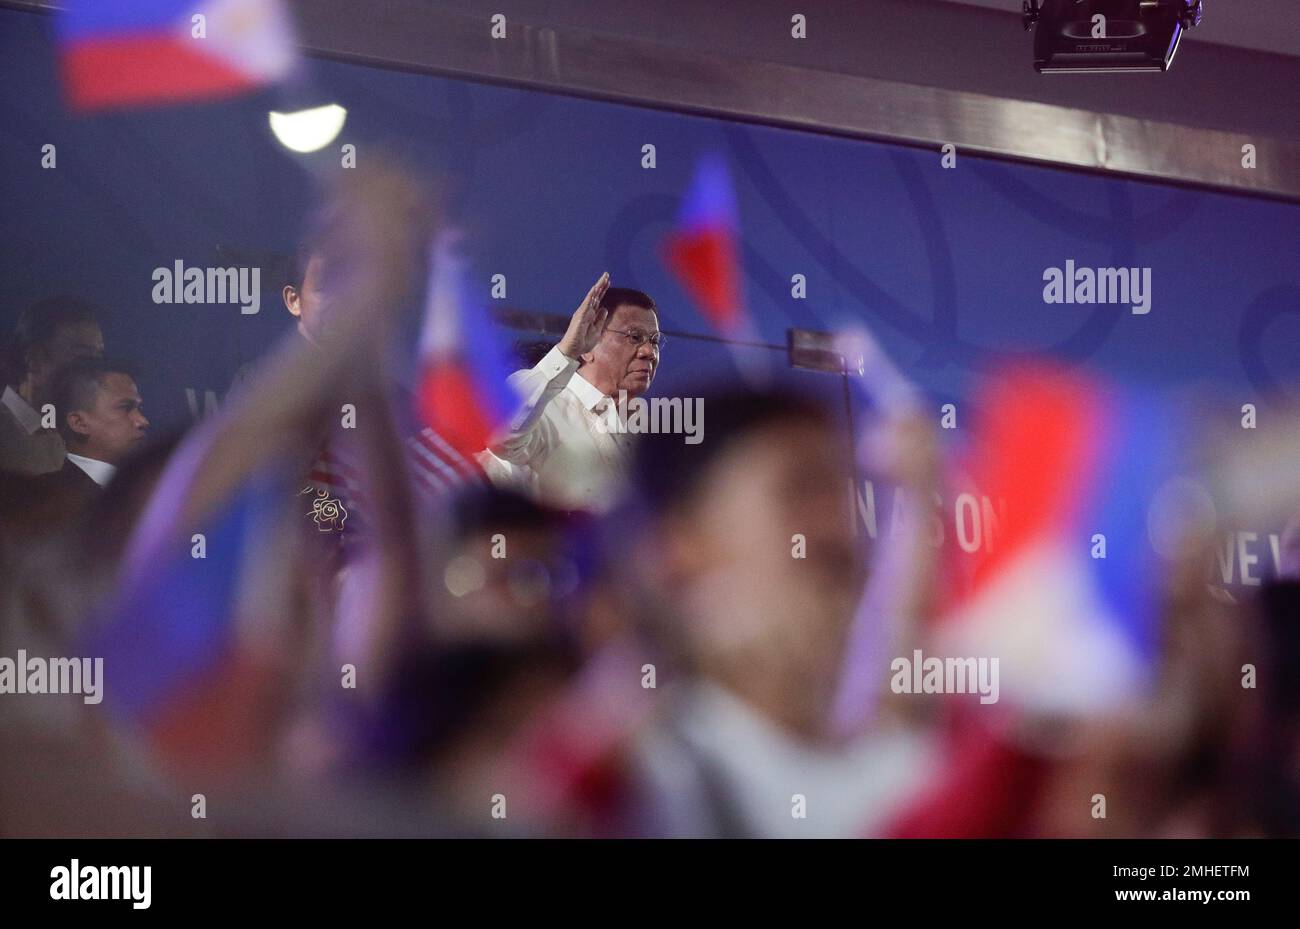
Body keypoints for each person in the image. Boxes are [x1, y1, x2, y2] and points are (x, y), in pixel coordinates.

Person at [618, 385, 940, 838]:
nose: (842, 527)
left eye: (843, 491)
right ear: (686, 546)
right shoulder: (646, 776)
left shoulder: (900, 760)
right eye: (799, 490)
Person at [478, 276, 661, 513]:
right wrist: (567, 351)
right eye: (634, 337)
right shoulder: (542, 405)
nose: (649, 351)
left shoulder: (646, 428)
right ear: (589, 342)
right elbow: (499, 434)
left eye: (655, 341)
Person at [0, 296, 104, 475]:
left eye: (99, 357)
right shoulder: (7, 436)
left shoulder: (70, 431)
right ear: (35, 361)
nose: (96, 370)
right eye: (83, 357)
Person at [39, 357, 149, 497]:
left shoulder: (151, 488)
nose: (143, 421)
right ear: (79, 423)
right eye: (125, 408)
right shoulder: (43, 498)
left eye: (139, 408)